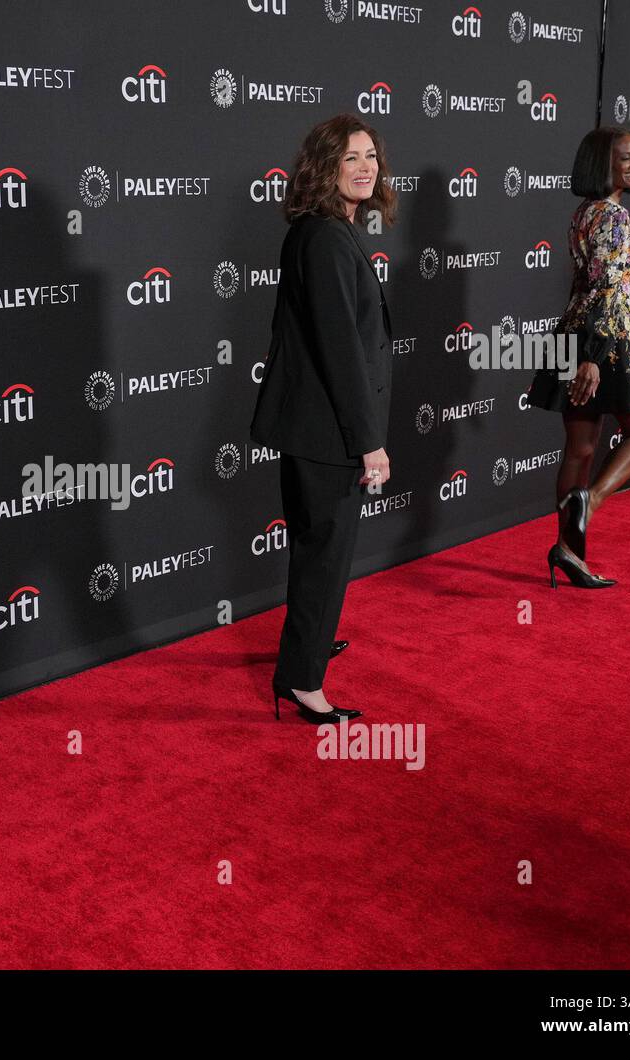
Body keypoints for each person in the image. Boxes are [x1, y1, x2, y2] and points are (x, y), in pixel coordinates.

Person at [250, 114, 395, 725]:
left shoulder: (326, 232)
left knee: (319, 550)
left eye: (371, 157)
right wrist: (369, 443)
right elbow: (341, 349)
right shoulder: (327, 239)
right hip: (326, 431)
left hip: (313, 424)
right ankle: (303, 680)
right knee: (325, 555)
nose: (366, 168)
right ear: (324, 168)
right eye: (350, 159)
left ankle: (305, 646)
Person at [527, 127, 630, 588]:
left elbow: (583, 287)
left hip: (574, 331)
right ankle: (589, 503)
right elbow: (609, 290)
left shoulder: (583, 214)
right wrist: (592, 356)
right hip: (609, 337)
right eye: (628, 159)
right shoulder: (613, 218)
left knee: (580, 448)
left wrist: (574, 347)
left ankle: (569, 552)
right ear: (603, 165)